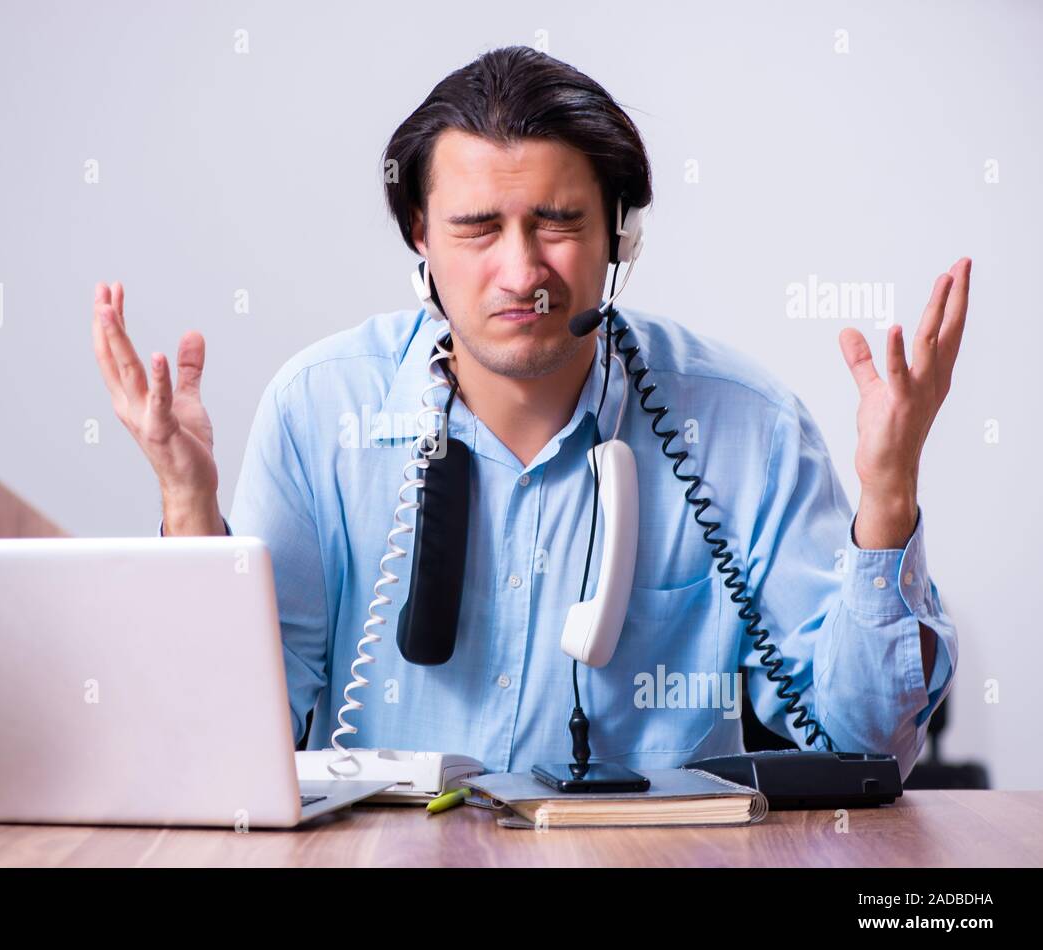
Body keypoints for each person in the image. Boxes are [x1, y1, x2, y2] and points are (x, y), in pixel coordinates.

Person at [90, 46, 965, 778]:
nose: (520, 272)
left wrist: (887, 496)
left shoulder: (743, 429)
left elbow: (862, 749)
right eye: (476, 228)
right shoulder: (320, 411)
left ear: (620, 235)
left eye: (557, 223)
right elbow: (224, 744)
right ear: (420, 240)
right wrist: (187, 507)